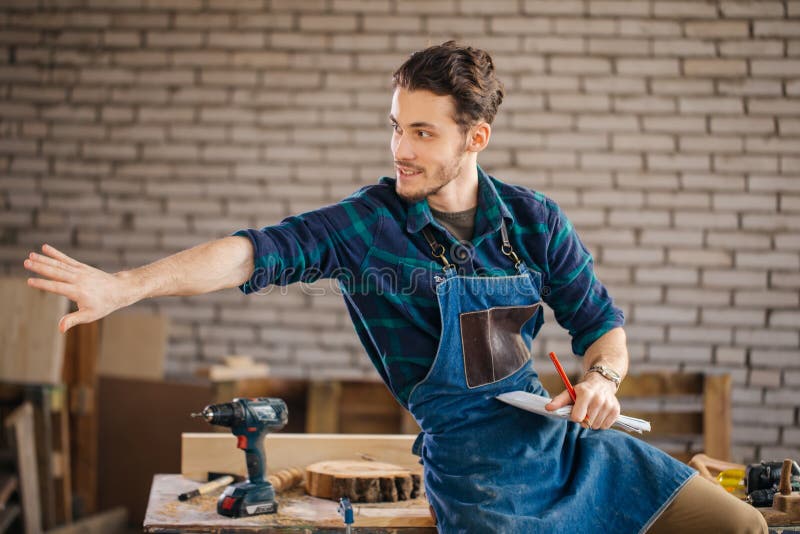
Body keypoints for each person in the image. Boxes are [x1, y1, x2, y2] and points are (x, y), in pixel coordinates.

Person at [24, 41, 766, 533]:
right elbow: (250, 253)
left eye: (422, 133)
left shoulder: (534, 219)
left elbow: (602, 327)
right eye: (395, 127)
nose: (400, 149)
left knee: (740, 524)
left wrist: (603, 380)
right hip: (478, 474)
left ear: (475, 138)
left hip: (567, 446)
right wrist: (126, 286)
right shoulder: (369, 225)